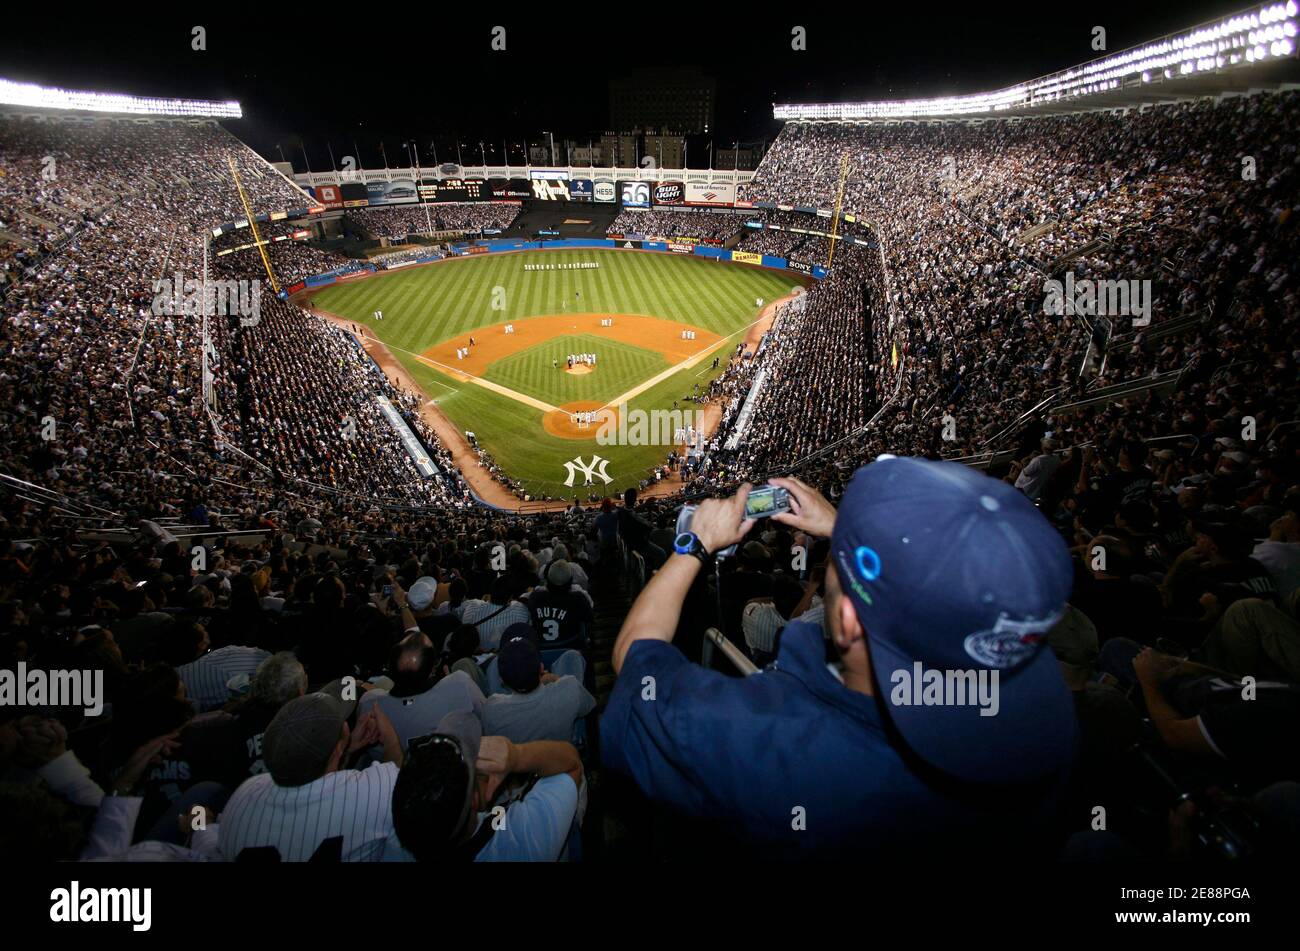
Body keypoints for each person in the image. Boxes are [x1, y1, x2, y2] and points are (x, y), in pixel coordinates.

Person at [601, 458, 1080, 858]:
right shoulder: (1037, 711)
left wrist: (694, 544)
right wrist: (846, 530)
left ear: (848, 621)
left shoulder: (775, 749)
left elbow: (634, 657)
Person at [386, 710, 583, 862]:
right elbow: (572, 764)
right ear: (476, 799)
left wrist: (391, 743)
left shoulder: (395, 845)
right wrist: (517, 756)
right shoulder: (524, 838)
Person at [483, 630, 595, 743]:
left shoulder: (491, 709)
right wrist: (556, 680)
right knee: (572, 656)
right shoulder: (569, 688)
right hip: (563, 753)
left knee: (493, 664)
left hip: (520, 757)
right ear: (541, 668)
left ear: (501, 680)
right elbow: (589, 706)